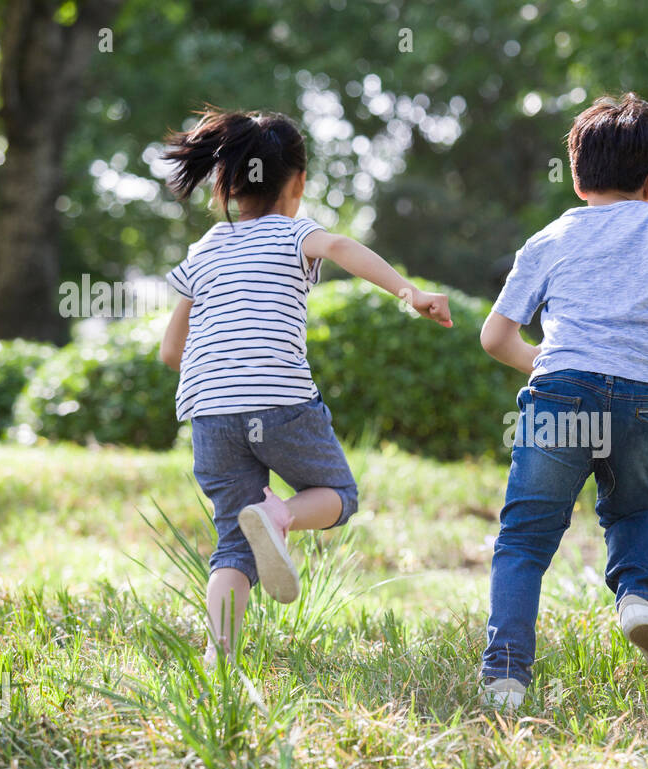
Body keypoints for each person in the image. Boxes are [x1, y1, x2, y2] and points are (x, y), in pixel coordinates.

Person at [477, 93, 648, 709]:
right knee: (632, 512)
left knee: (524, 539)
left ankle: (505, 675)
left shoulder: (547, 239)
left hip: (561, 396)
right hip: (644, 399)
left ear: (577, 178)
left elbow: (495, 337)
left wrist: (554, 363)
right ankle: (637, 601)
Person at [158, 108, 451, 665]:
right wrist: (408, 293)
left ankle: (219, 657)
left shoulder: (206, 249)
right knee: (339, 497)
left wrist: (222, 372)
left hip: (210, 412)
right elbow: (340, 248)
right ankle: (282, 515)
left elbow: (172, 352)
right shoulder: (295, 231)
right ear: (298, 183)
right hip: (280, 401)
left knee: (231, 544)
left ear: (229, 183)